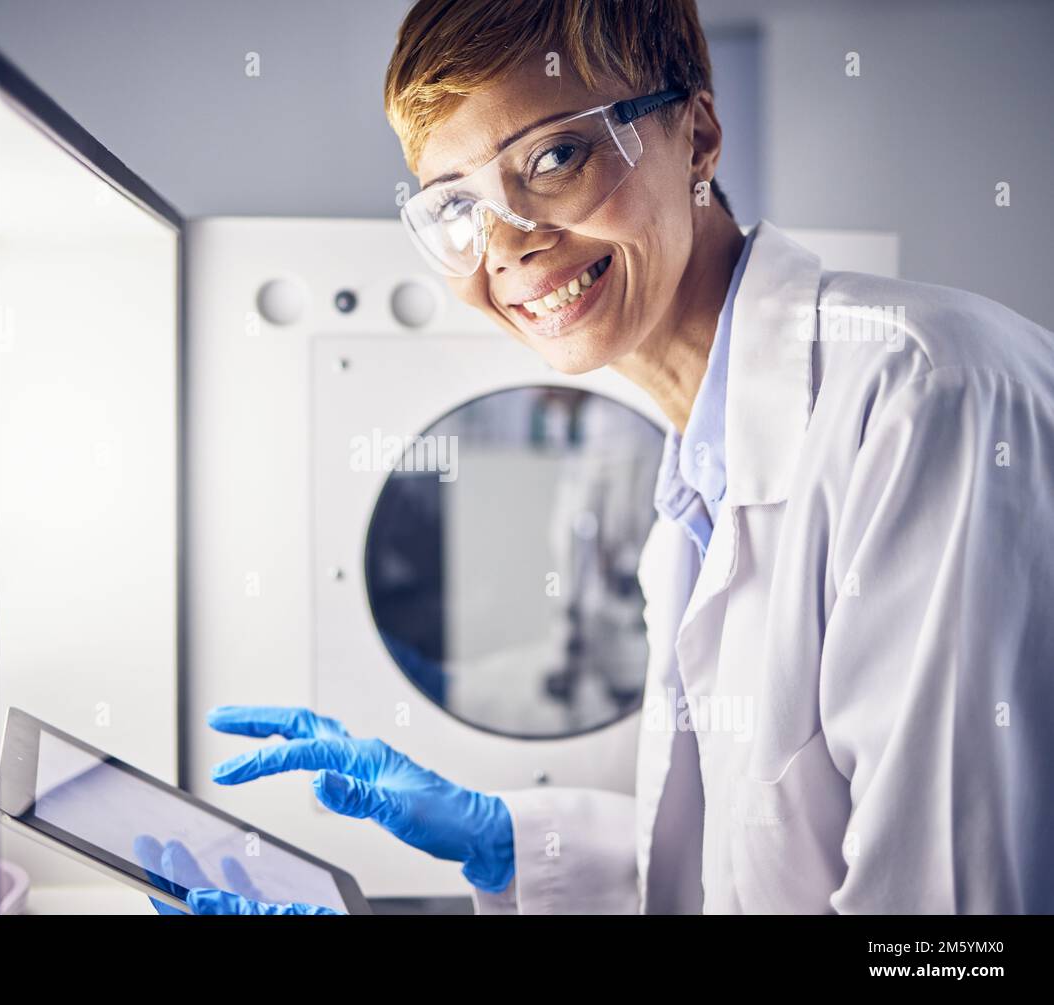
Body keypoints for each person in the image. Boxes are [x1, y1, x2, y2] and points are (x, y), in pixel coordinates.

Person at [147, 0, 1054, 914]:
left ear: (698, 139)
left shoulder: (926, 396)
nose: (506, 246)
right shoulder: (695, 480)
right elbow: (738, 875)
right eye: (457, 205)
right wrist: (512, 845)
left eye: (552, 158)